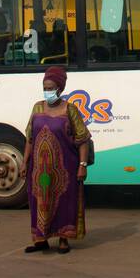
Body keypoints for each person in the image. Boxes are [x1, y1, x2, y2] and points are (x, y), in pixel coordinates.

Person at [20, 66, 90, 253]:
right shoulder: (37, 107)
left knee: (64, 202)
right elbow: (29, 138)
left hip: (65, 168)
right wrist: (24, 162)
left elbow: (83, 140)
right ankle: (40, 239)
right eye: (45, 87)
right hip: (39, 169)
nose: (47, 91)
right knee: (40, 202)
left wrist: (82, 166)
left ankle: (63, 240)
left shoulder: (70, 110)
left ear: (60, 89)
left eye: (51, 87)